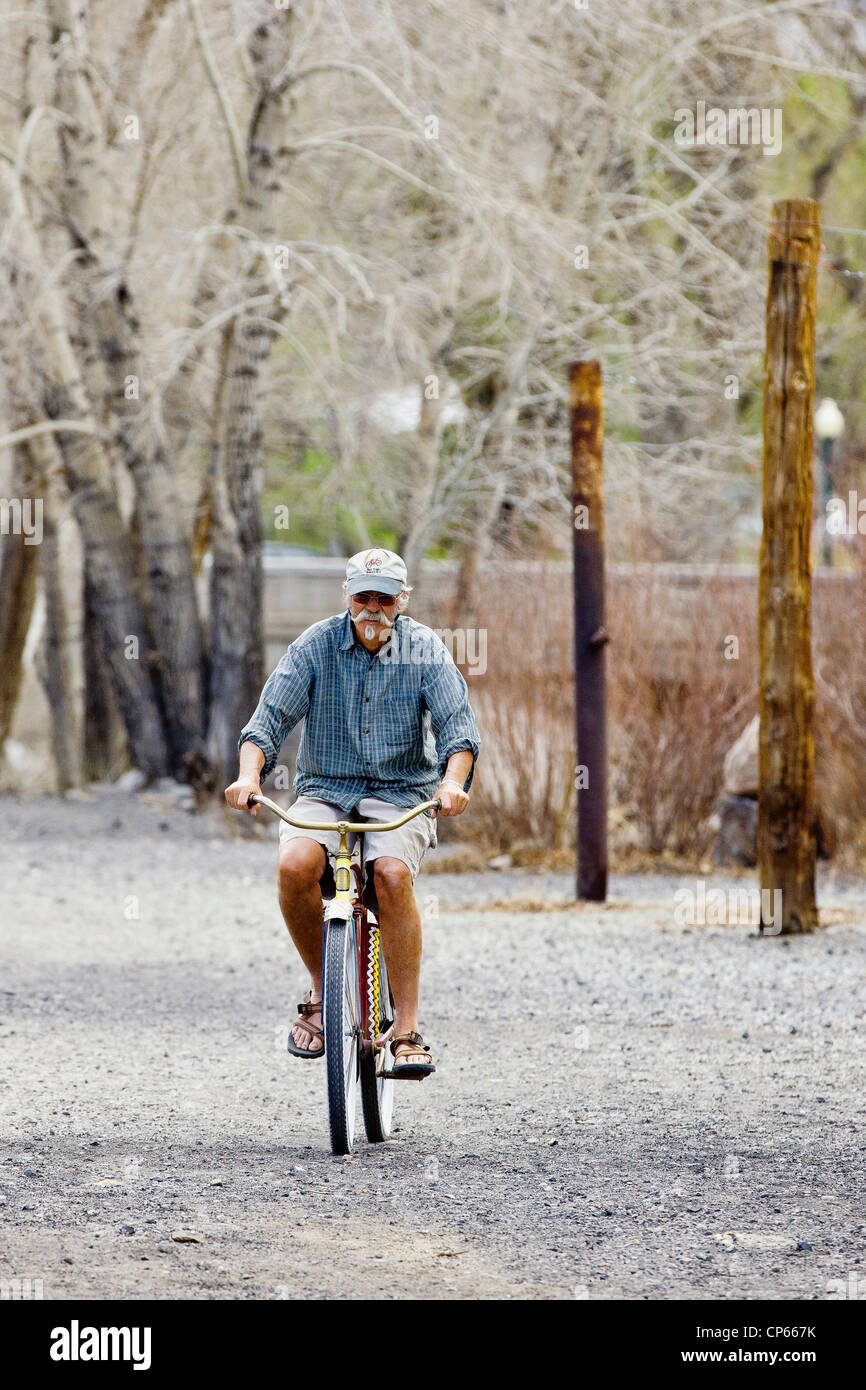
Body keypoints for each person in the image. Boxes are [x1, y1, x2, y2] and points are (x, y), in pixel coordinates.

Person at [225, 547, 480, 1079]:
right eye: (363, 596)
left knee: (389, 874)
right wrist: (250, 776)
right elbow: (266, 723)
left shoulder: (425, 650)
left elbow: (460, 734)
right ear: (346, 596)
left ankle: (406, 1030)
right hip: (326, 789)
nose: (373, 608)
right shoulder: (314, 646)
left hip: (402, 793)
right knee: (295, 864)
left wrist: (453, 785)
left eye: (385, 598)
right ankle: (323, 990)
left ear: (402, 600)